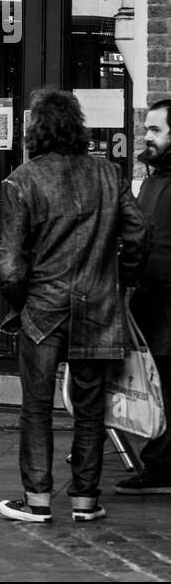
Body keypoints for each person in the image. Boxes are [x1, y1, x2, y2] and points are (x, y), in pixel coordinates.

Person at [0, 89, 148, 524]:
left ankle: (38, 500)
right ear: (78, 126)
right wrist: (125, 282)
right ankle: (85, 500)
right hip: (99, 308)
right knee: (91, 408)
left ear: (36, 130)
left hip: (43, 310)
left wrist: (21, 302)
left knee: (37, 406)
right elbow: (139, 233)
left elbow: (9, 265)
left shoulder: (21, 181)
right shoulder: (109, 174)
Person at [120, 98, 171, 494]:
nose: (146, 137)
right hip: (149, 302)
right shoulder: (153, 178)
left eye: (155, 130)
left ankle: (161, 468)